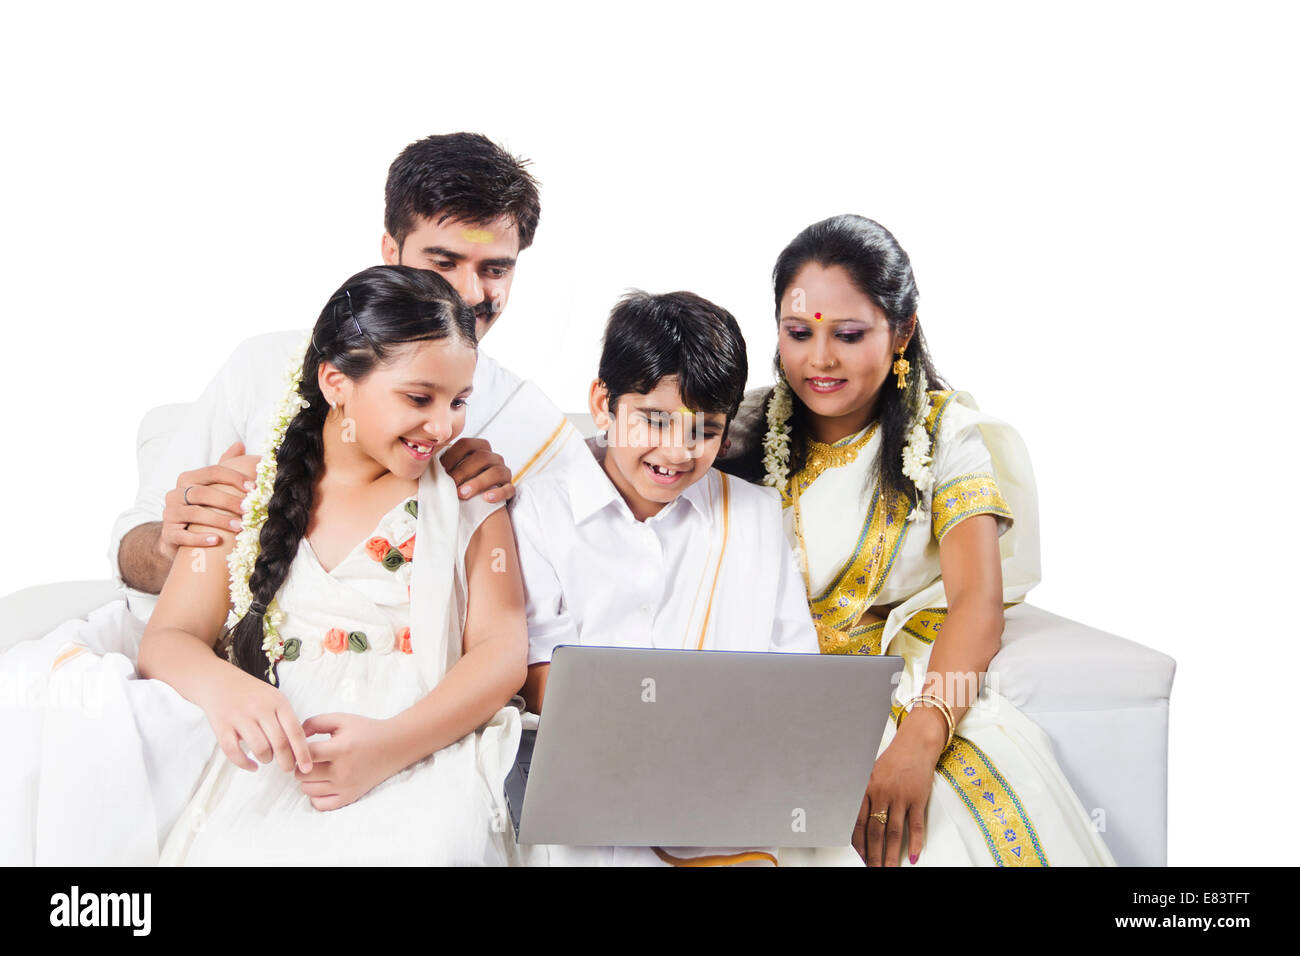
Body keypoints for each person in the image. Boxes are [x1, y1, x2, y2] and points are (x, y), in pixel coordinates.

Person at [5, 265, 529, 866]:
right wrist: (224, 687)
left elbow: (500, 651)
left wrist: (390, 746)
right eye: (419, 398)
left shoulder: (468, 498)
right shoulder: (246, 492)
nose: (444, 426)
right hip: (279, 751)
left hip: (415, 745)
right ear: (336, 382)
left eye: (459, 401)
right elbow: (170, 637)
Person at [719, 215, 1116, 867]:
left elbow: (976, 604)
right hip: (762, 680)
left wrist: (923, 735)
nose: (819, 359)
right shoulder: (740, 426)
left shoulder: (945, 435)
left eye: (849, 334)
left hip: (894, 688)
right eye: (798, 333)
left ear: (901, 331)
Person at [112, 131, 588, 625]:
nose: (469, 293)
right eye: (443, 261)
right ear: (390, 247)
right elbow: (130, 549)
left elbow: (587, 592)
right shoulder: (262, 365)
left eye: (495, 269)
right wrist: (177, 545)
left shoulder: (531, 424)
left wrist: (506, 513)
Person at [511, 290, 859, 867]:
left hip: (730, 790)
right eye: (654, 419)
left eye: (704, 430)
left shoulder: (752, 515)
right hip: (589, 788)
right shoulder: (537, 512)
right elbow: (541, 677)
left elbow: (795, 672)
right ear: (603, 404)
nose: (677, 451)